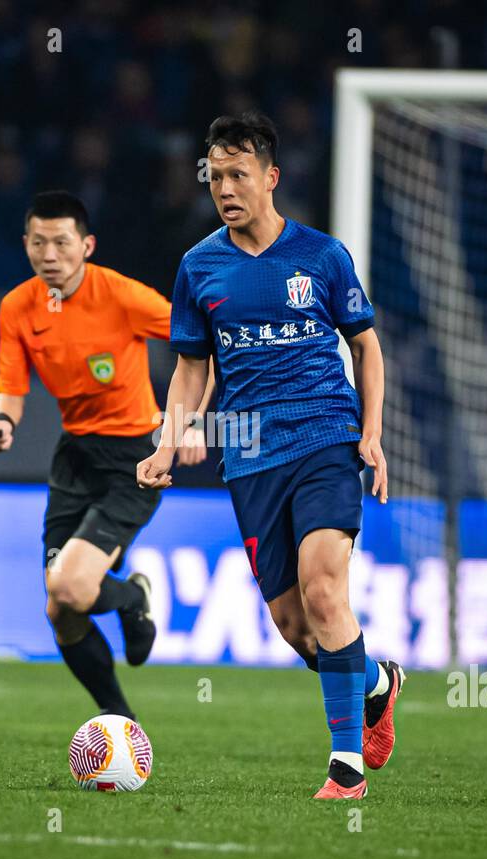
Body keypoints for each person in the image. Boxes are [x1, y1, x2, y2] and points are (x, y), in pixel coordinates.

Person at [136, 113, 403, 799]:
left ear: (270, 177)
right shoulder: (199, 267)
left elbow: (366, 346)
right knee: (295, 626)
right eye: (215, 176)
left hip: (324, 437)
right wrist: (171, 439)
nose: (225, 188)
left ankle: (344, 769)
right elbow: (192, 368)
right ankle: (375, 681)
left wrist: (370, 434)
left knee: (324, 591)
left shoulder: (322, 256)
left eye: (238, 174)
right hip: (250, 456)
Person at [0, 190, 212, 720]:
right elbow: (11, 387)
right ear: (25, 245)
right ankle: (121, 721)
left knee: (69, 583)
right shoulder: (17, 307)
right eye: (38, 242)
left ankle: (133, 599)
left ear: (86, 245)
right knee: (60, 608)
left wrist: (191, 421)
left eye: (61, 242)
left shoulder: (122, 296)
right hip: (75, 456)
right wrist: (1, 420)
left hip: (135, 456)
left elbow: (202, 340)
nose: (49, 254)